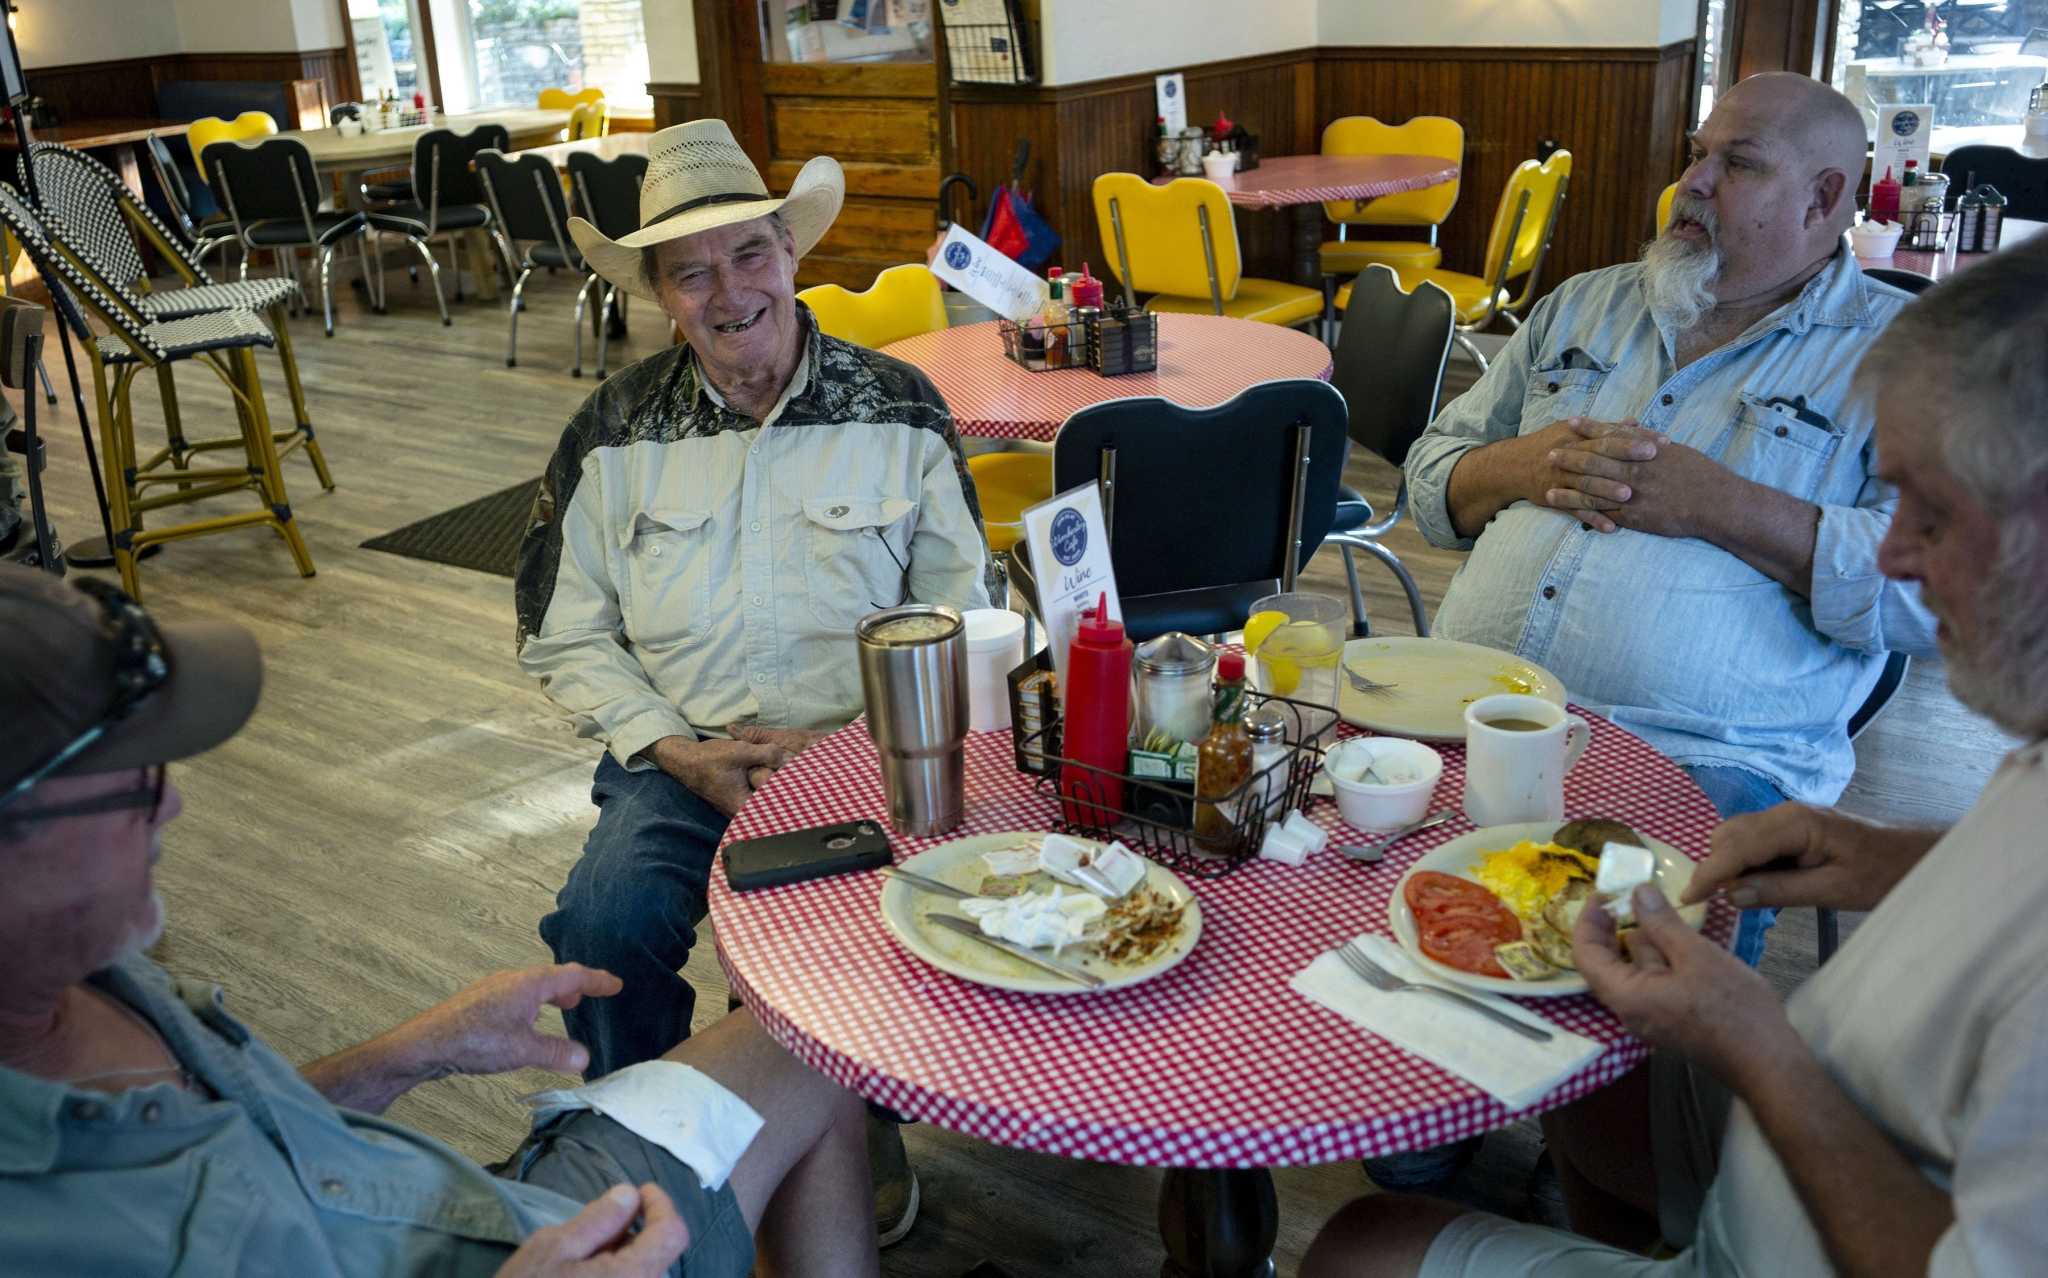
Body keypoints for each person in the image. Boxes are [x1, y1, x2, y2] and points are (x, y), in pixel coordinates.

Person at [1302, 217, 2048, 1278]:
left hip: (1815, 1182)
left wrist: (1751, 1039)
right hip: (1821, 1118)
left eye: (1928, 512)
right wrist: (1897, 862)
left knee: (1357, 1248)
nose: (1890, 551)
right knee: (1576, 998)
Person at [0, 564, 879, 1277]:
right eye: (138, 783)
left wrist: (413, 1051)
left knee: (808, 1033)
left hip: (481, 1209)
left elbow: (225, 1133)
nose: (174, 807)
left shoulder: (93, 974)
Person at [518, 118, 990, 1241]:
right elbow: (560, 631)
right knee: (605, 919)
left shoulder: (900, 408)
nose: (727, 291)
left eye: (747, 254)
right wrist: (674, 747)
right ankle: (651, 1140)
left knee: (862, 922)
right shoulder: (608, 430)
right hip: (677, 757)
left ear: (791, 252)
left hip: (864, 747)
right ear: (659, 296)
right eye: (690, 271)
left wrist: (856, 744)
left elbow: (968, 620)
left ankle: (839, 1105)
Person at [1401, 72, 1937, 973]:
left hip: (1700, 755)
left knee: (1617, 1006)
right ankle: (1425, 1109)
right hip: (1466, 707)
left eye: (1738, 164)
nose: (1691, 183)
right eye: (1696, 154)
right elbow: (1427, 483)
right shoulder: (1584, 304)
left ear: (1825, 198)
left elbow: (1927, 603)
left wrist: (1725, 508)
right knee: (1332, 903)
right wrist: (1519, 468)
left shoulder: (1903, 359)